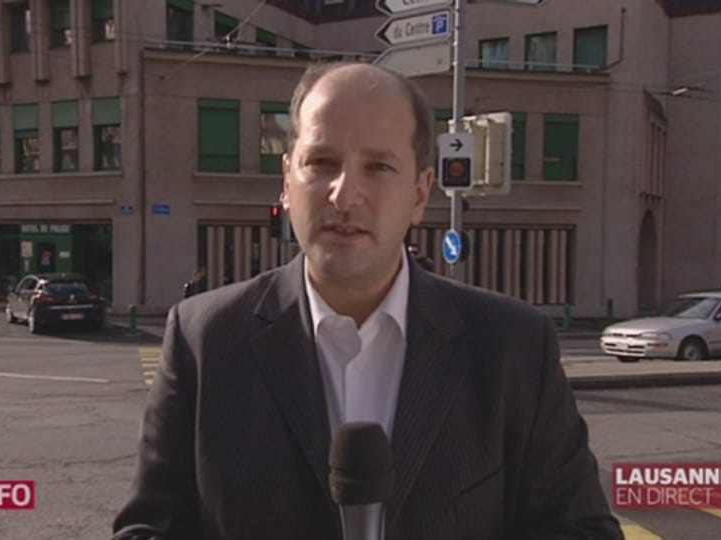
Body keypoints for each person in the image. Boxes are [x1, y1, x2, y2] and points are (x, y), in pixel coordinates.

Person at [112, 62, 621, 539]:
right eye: (322, 162)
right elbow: (149, 529)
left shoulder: (513, 347)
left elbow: (578, 529)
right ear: (287, 180)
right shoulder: (204, 339)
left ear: (421, 194)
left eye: (378, 166)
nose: (344, 194)